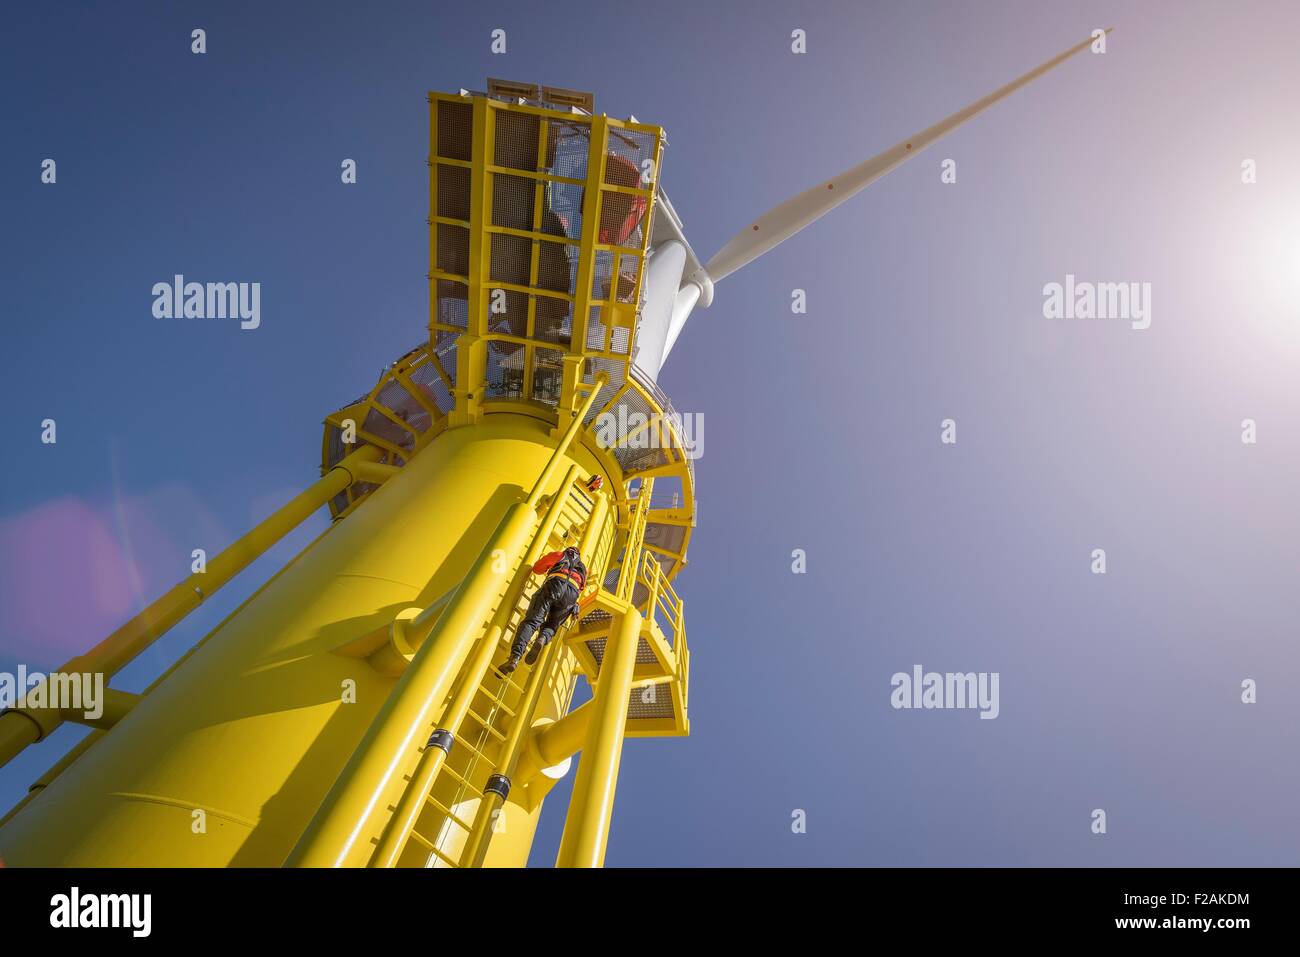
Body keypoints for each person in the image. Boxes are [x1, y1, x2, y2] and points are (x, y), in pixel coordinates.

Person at [497, 546, 587, 675]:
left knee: (532, 621)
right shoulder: (583, 569)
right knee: (551, 626)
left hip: (555, 584)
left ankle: (514, 658)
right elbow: (581, 588)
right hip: (571, 596)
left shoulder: (559, 555)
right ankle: (542, 639)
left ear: (568, 551)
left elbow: (537, 568)